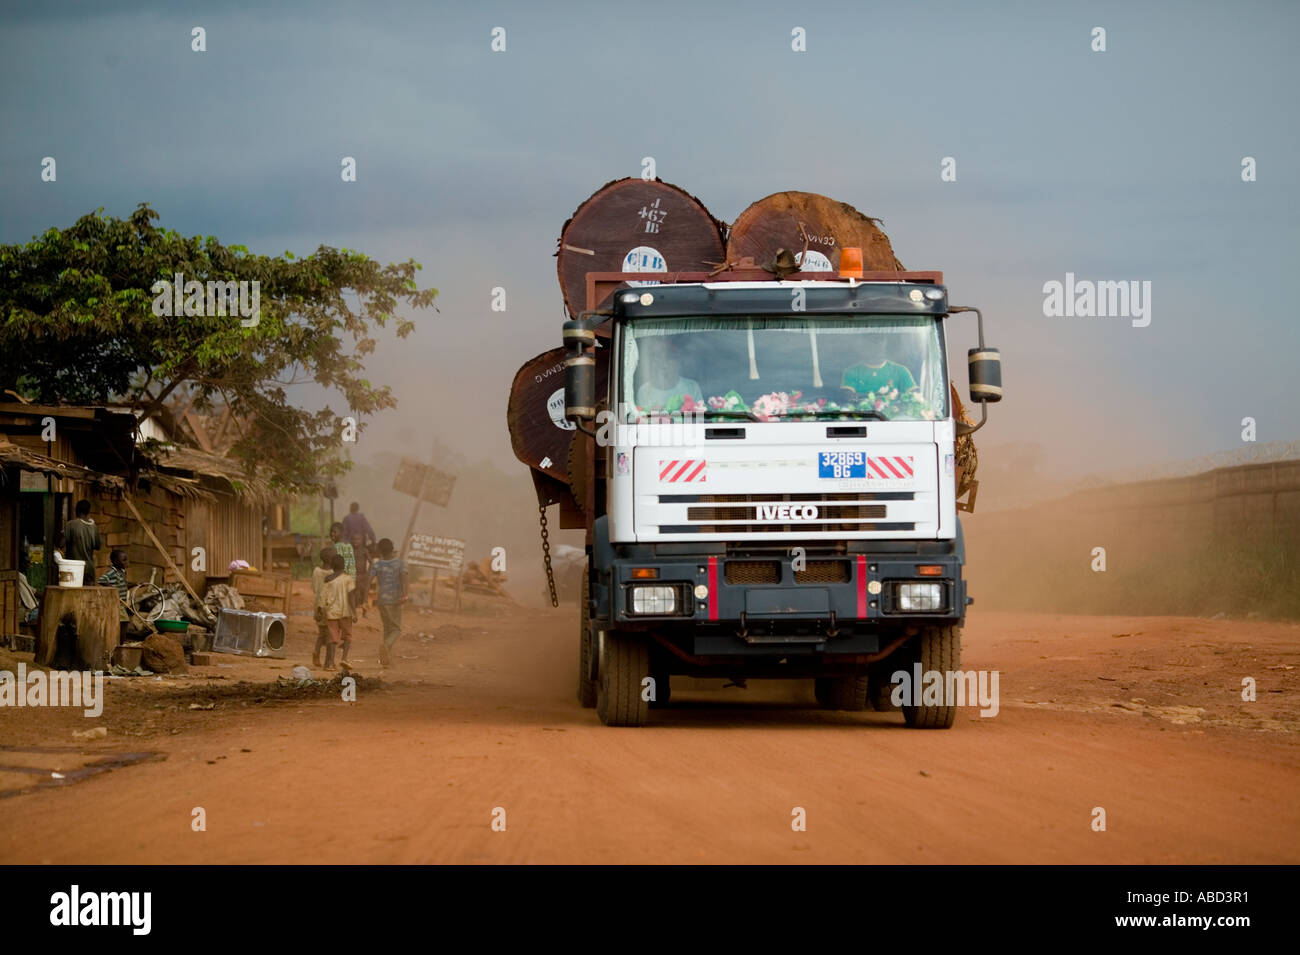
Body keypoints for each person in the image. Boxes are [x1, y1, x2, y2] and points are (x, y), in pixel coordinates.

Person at [369, 538, 409, 667]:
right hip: (395, 600)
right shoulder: (400, 564)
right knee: (396, 629)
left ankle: (387, 661)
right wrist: (404, 595)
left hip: (382, 600)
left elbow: (368, 581)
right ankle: (386, 646)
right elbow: (404, 580)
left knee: (387, 628)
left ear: (380, 551)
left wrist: (365, 598)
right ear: (393, 549)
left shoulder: (377, 564)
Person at [635, 337, 703, 410]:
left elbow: (700, 417)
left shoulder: (692, 387)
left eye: (669, 357)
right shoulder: (644, 392)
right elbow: (642, 419)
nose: (663, 363)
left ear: (678, 360)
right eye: (657, 357)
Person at [841, 336, 917, 397]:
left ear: (886, 347)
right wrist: (878, 396)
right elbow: (848, 398)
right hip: (862, 415)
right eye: (872, 346)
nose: (876, 350)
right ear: (863, 349)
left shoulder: (901, 371)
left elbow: (915, 398)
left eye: (879, 346)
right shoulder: (852, 372)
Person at [320, 553, 355, 670]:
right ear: (344, 565)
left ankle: (330, 663)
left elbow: (323, 597)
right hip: (346, 612)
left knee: (332, 638)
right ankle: (344, 659)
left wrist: (320, 610)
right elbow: (351, 597)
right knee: (347, 636)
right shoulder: (348, 579)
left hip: (332, 612)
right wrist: (354, 612)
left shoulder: (327, 579)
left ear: (332, 566)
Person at [62, 500, 102, 585]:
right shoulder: (93, 527)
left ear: (76, 510)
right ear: (88, 512)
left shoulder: (71, 524)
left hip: (73, 567)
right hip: (89, 568)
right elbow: (98, 546)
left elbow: (61, 543)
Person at [310, 545, 336, 668]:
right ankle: (329, 661)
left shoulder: (316, 571)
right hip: (329, 607)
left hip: (317, 606)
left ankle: (316, 652)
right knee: (331, 634)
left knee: (321, 633)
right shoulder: (333, 573)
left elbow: (314, 588)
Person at [97, 549, 130, 630]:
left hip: (122, 602)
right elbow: (101, 580)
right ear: (115, 562)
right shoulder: (113, 572)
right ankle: (121, 642)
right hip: (117, 602)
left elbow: (124, 584)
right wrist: (113, 590)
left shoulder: (122, 571)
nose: (126, 562)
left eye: (126, 559)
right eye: (123, 560)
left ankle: (119, 640)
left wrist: (136, 584)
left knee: (121, 622)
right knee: (124, 622)